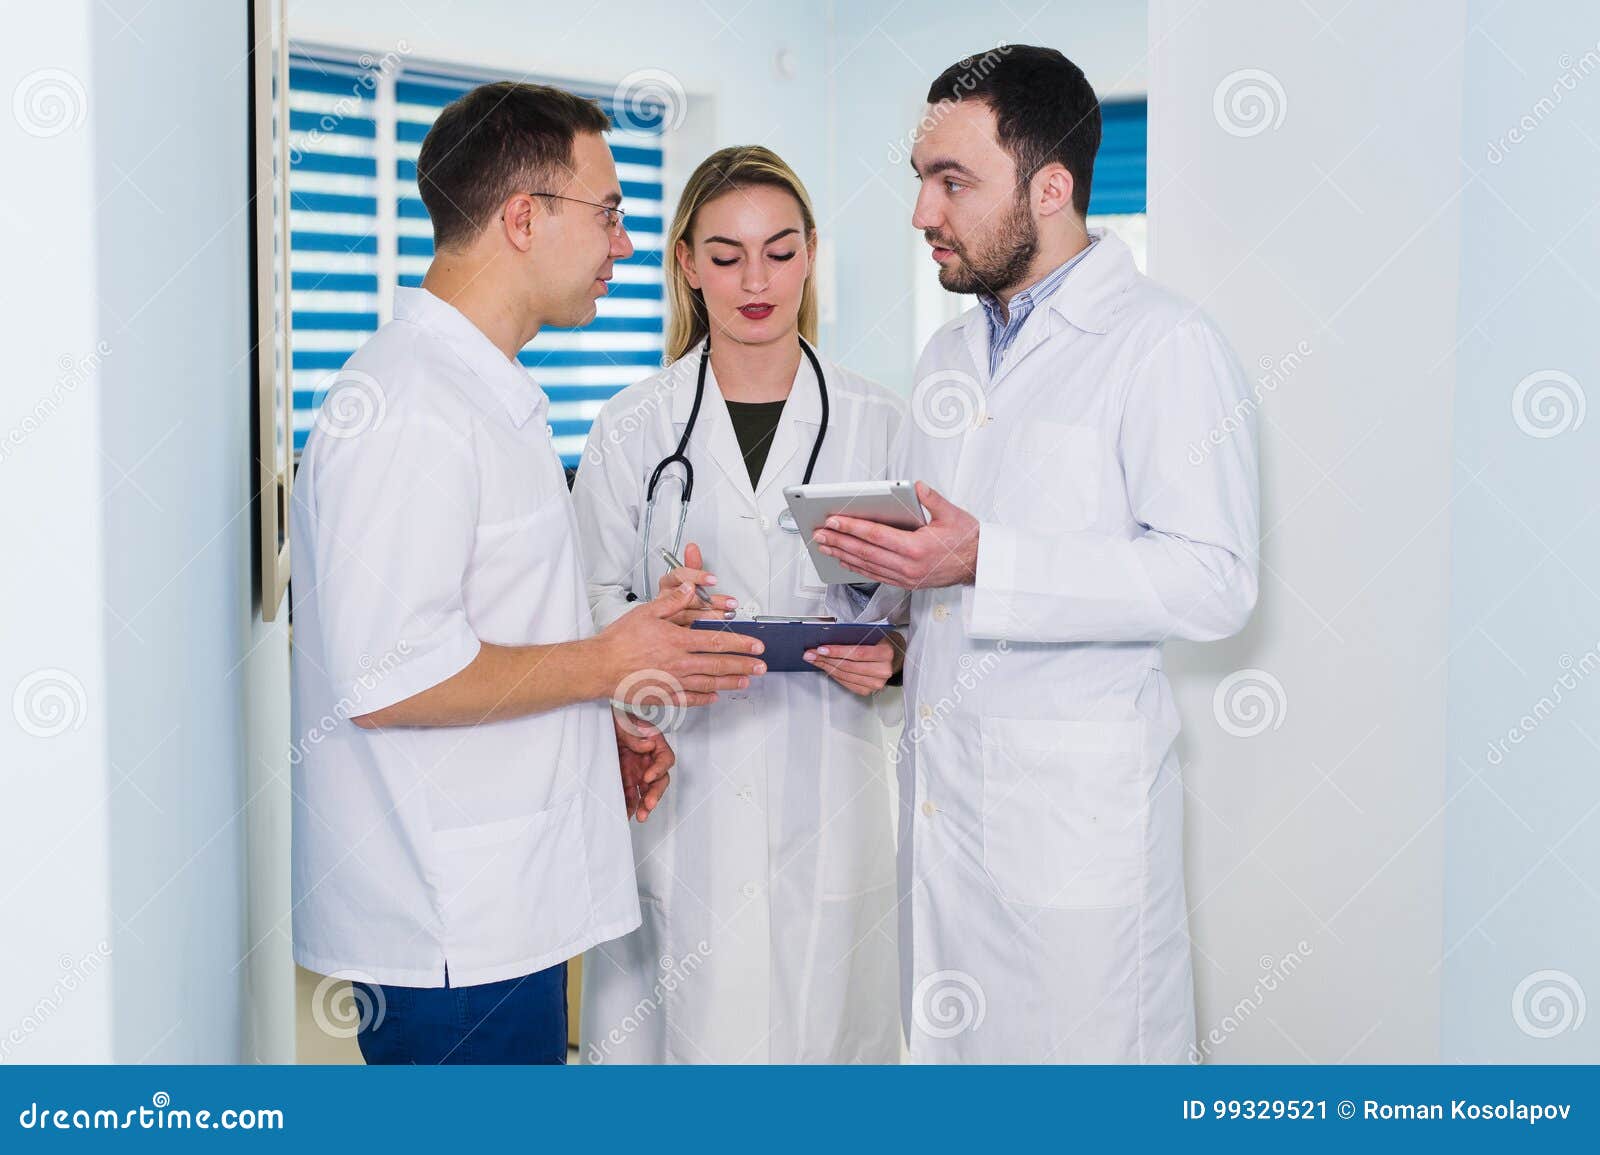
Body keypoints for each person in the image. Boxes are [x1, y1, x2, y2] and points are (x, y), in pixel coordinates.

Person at [288, 82, 767, 1066]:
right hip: (450, 936)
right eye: (610, 215)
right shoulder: (409, 407)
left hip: (497, 913)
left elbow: (489, 633)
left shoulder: (482, 395)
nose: (625, 247)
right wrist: (608, 663)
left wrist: (598, 736)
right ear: (521, 218)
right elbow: (391, 678)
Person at [812, 46, 1260, 1062]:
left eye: (951, 181)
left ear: (1050, 187)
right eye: (921, 179)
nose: (922, 213)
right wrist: (880, 636)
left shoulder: (1163, 345)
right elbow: (937, 574)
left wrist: (985, 563)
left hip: (1071, 835)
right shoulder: (945, 356)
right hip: (944, 814)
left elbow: (1214, 580)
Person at [571, 146, 905, 1063]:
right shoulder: (633, 427)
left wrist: (897, 656)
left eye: (781, 250)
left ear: (810, 256)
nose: (756, 280)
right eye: (725, 256)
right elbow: (589, 606)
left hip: (830, 784)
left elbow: (926, 613)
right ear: (686, 263)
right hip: (686, 782)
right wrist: (651, 629)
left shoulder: (883, 420)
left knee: (831, 1041)